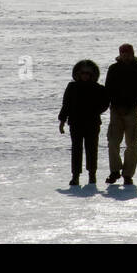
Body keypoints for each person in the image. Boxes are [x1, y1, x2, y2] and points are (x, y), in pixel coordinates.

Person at [58, 59, 108, 187]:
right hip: (75, 123)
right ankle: (75, 176)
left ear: (92, 75)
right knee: (76, 149)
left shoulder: (99, 89)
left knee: (92, 149)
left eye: (88, 73)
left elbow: (105, 104)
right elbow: (66, 104)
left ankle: (92, 175)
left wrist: (94, 112)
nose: (85, 75)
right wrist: (62, 121)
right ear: (78, 74)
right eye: (82, 73)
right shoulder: (72, 87)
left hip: (92, 123)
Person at [105, 44, 137, 186]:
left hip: (132, 110)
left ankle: (128, 174)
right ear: (120, 54)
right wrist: (116, 106)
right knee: (112, 142)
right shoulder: (113, 69)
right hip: (116, 111)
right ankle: (115, 171)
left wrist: (130, 105)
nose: (126, 55)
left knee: (132, 144)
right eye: (123, 53)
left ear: (132, 53)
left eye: (128, 53)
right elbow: (108, 89)